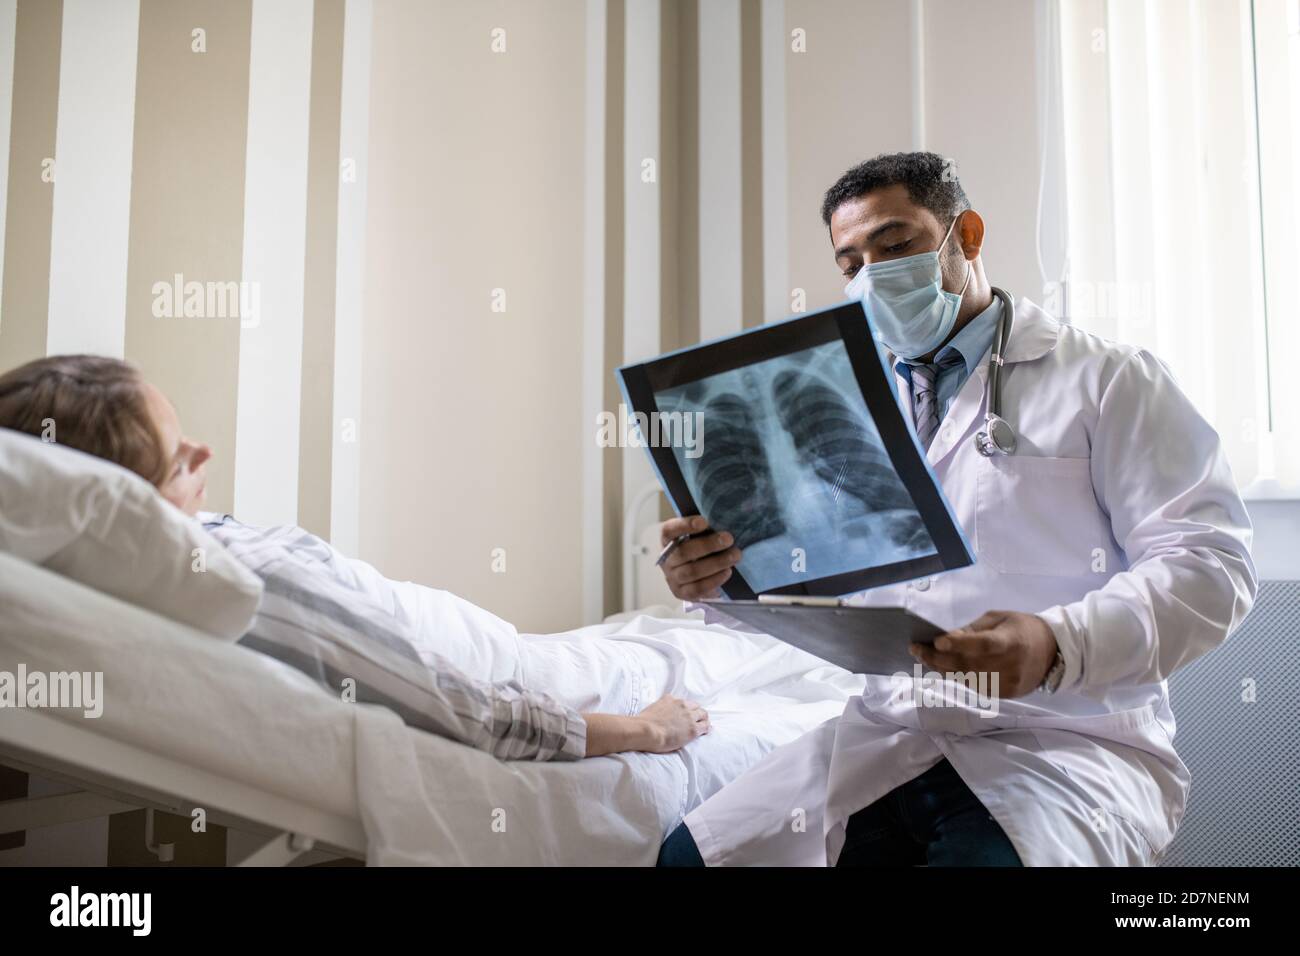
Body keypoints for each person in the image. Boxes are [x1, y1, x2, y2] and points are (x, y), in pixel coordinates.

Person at [656, 151, 1256, 866]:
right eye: (851, 263)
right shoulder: (852, 399)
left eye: (895, 245)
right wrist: (717, 577)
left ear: (966, 235)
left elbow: (1210, 564)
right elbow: (824, 580)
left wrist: (1057, 643)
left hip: (1061, 741)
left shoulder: (1108, 380)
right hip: (888, 732)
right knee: (688, 860)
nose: (872, 275)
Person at [0, 354, 710, 762]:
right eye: (177, 456)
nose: (204, 452)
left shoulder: (162, 562)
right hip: (522, 673)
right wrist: (648, 729)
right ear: (123, 498)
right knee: (710, 657)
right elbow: (468, 711)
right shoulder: (245, 584)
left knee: (696, 637)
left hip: (509, 648)